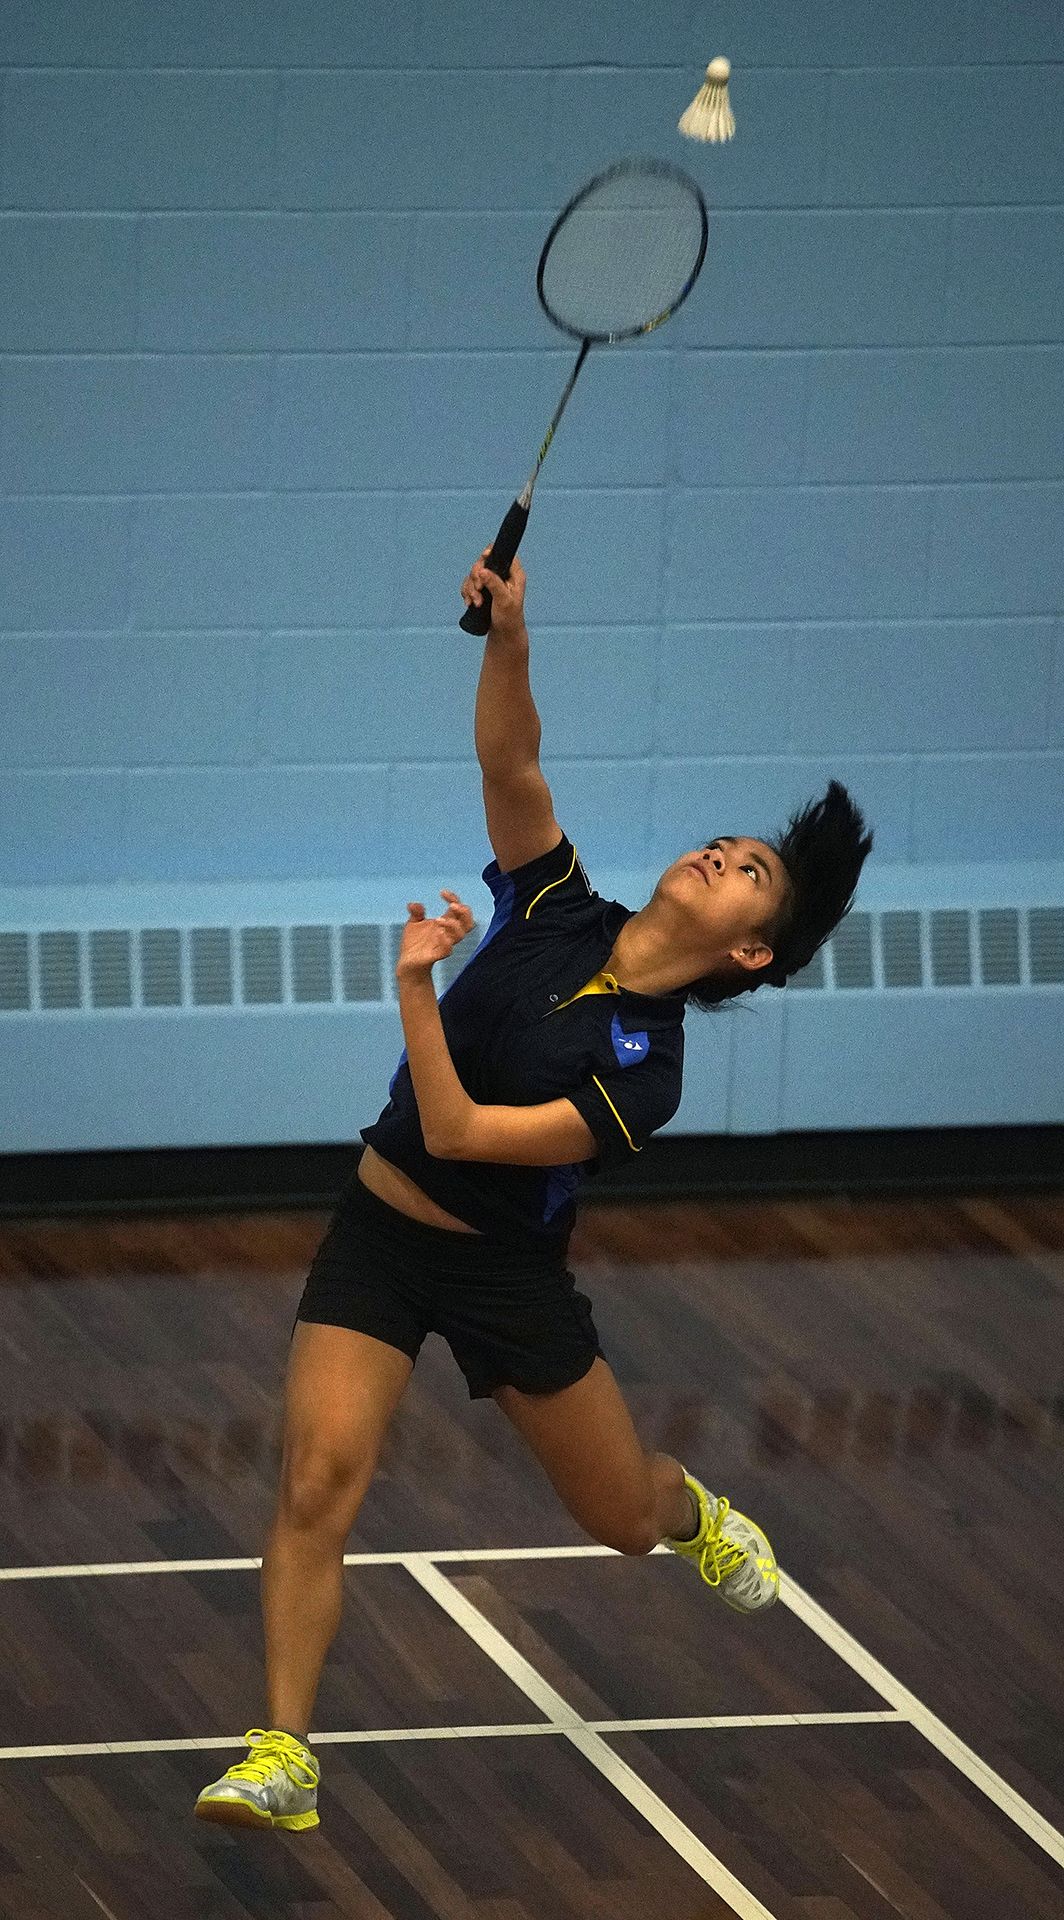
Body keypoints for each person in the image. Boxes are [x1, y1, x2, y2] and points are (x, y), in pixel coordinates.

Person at [195, 550, 873, 1832]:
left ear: (746, 949)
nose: (722, 852)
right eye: (728, 843)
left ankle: (693, 1513)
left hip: (505, 1277)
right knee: (314, 1481)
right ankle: (281, 1753)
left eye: (748, 873)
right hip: (377, 1237)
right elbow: (514, 766)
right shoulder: (558, 902)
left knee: (616, 1516)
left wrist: (410, 983)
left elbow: (455, 1128)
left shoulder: (645, 1072)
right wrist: (507, 633)